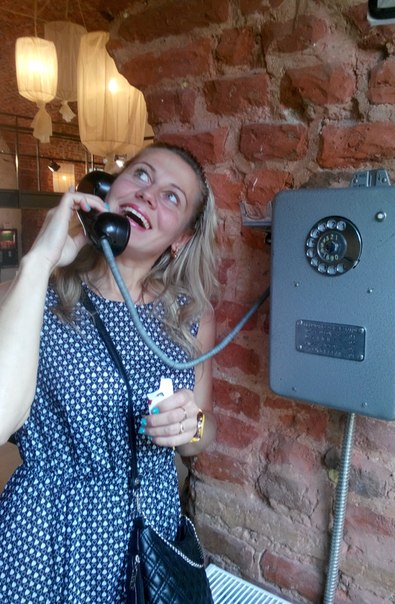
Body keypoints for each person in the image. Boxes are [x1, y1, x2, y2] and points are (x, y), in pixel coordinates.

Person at [0, 142, 218, 602]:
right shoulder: (36, 292)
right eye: (140, 175)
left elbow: (202, 434)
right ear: (105, 188)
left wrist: (190, 425)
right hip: (47, 532)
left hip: (147, 533)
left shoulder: (190, 316)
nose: (147, 195)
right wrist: (38, 262)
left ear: (181, 238)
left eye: (171, 196)